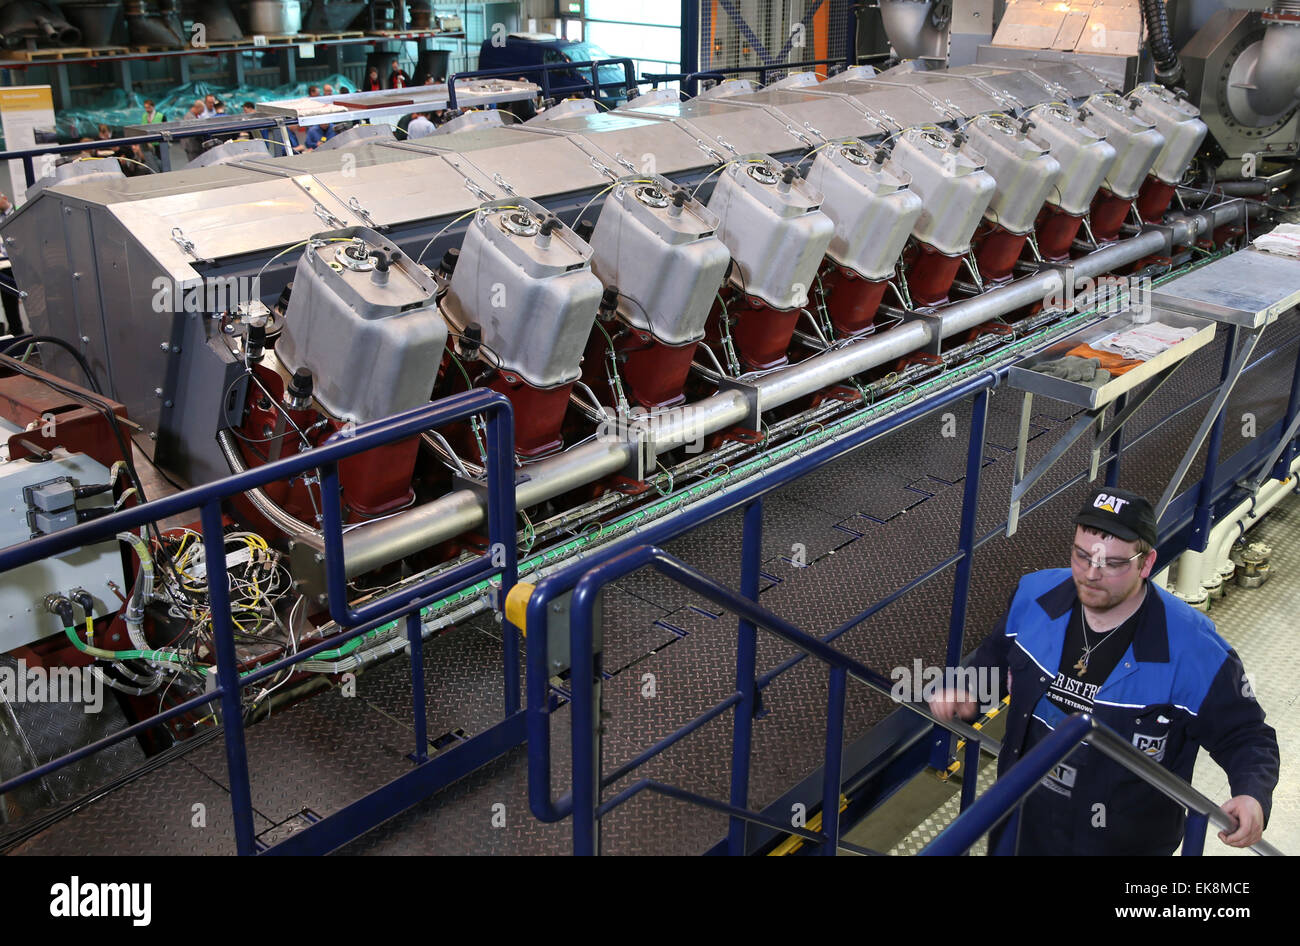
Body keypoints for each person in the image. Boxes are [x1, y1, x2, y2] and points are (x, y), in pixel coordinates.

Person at [930, 487, 1279, 856]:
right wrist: (967, 689)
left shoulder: (1193, 649)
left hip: (1122, 842)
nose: (1091, 574)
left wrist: (1251, 794)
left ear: (1146, 564)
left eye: (1112, 564)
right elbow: (997, 658)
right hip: (1021, 817)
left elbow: (1246, 735)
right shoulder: (1034, 596)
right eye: (1082, 556)